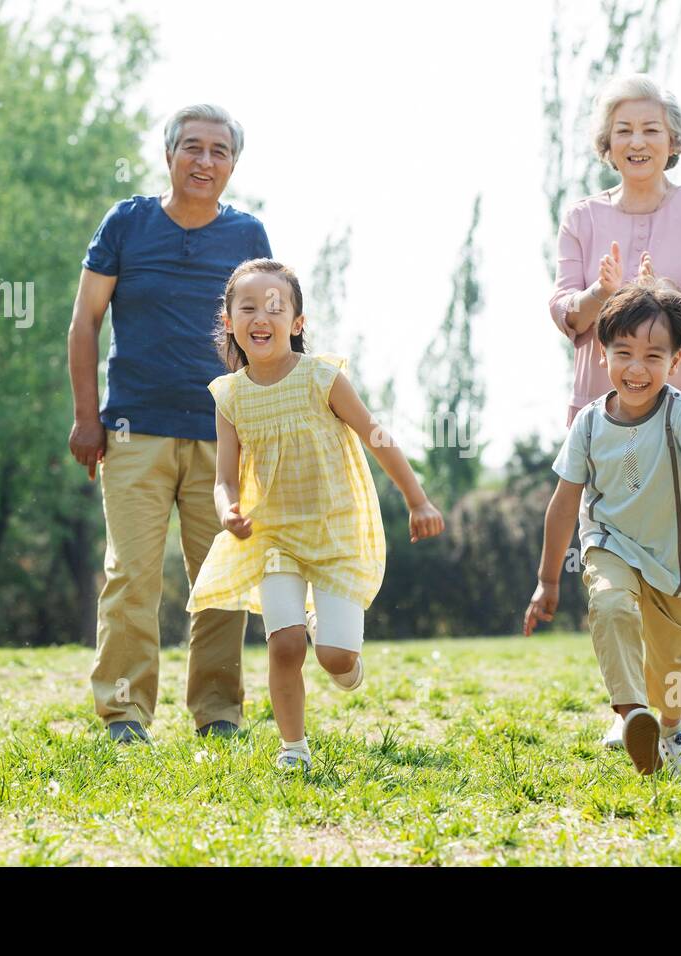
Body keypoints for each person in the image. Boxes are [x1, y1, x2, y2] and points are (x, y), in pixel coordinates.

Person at [188, 259, 445, 770]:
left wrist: (418, 499)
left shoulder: (321, 378)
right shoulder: (229, 396)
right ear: (230, 321)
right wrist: (227, 511)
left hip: (336, 532)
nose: (261, 316)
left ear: (297, 323)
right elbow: (223, 477)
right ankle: (293, 748)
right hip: (274, 536)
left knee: (334, 657)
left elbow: (376, 435)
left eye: (275, 307)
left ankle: (341, 654)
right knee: (284, 646)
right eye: (248, 307)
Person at [69, 103, 272, 744]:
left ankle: (218, 714)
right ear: (168, 155)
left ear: (233, 164)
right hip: (134, 430)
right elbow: (84, 324)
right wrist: (86, 418)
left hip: (225, 436)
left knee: (221, 579)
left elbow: (268, 334)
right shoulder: (126, 224)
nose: (204, 161)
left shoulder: (247, 236)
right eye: (192, 147)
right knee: (131, 574)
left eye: (218, 151)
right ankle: (124, 715)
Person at [548, 72, 681, 752]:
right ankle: (634, 711)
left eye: (651, 129)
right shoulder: (582, 218)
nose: (637, 141)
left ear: (674, 141)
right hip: (602, 416)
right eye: (623, 129)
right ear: (606, 143)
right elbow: (565, 310)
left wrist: (664, 301)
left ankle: (679, 718)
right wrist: (604, 295)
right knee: (610, 565)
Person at [524, 281, 681, 778]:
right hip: (609, 542)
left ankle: (670, 733)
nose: (636, 367)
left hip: (673, 559)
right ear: (602, 355)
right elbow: (563, 505)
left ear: (674, 362)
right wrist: (547, 580)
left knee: (675, 667)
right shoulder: (587, 424)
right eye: (623, 352)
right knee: (608, 605)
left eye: (653, 356)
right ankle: (632, 717)